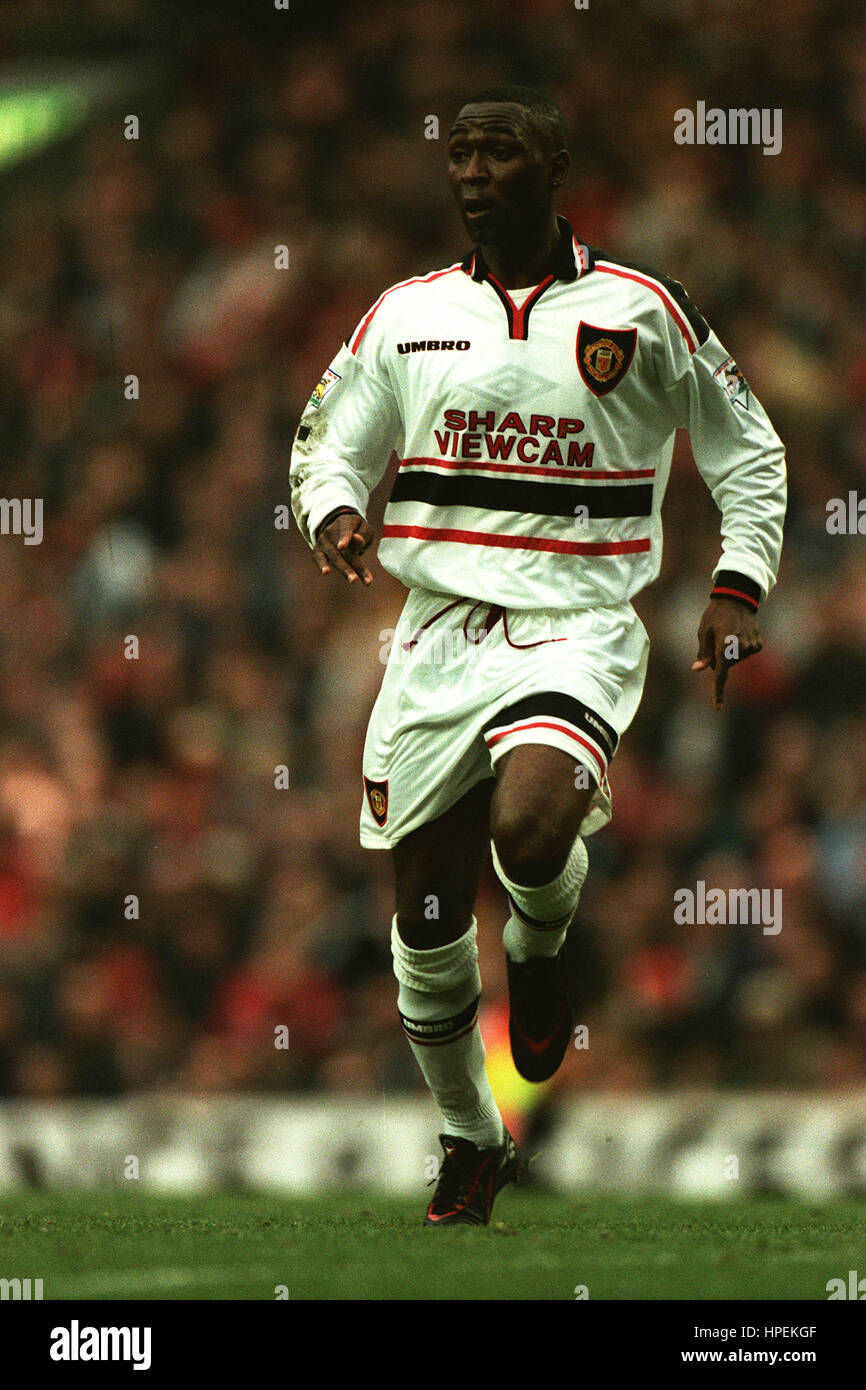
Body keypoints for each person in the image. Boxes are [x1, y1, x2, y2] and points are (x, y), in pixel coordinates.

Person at [289, 85, 786, 1225]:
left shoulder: (640, 308)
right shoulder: (405, 312)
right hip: (433, 636)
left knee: (528, 821)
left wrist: (733, 583)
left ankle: (544, 942)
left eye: (498, 152)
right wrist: (331, 512)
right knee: (419, 919)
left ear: (553, 165)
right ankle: (472, 1138)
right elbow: (327, 441)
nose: (470, 172)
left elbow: (744, 446)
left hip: (578, 624)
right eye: (458, 152)